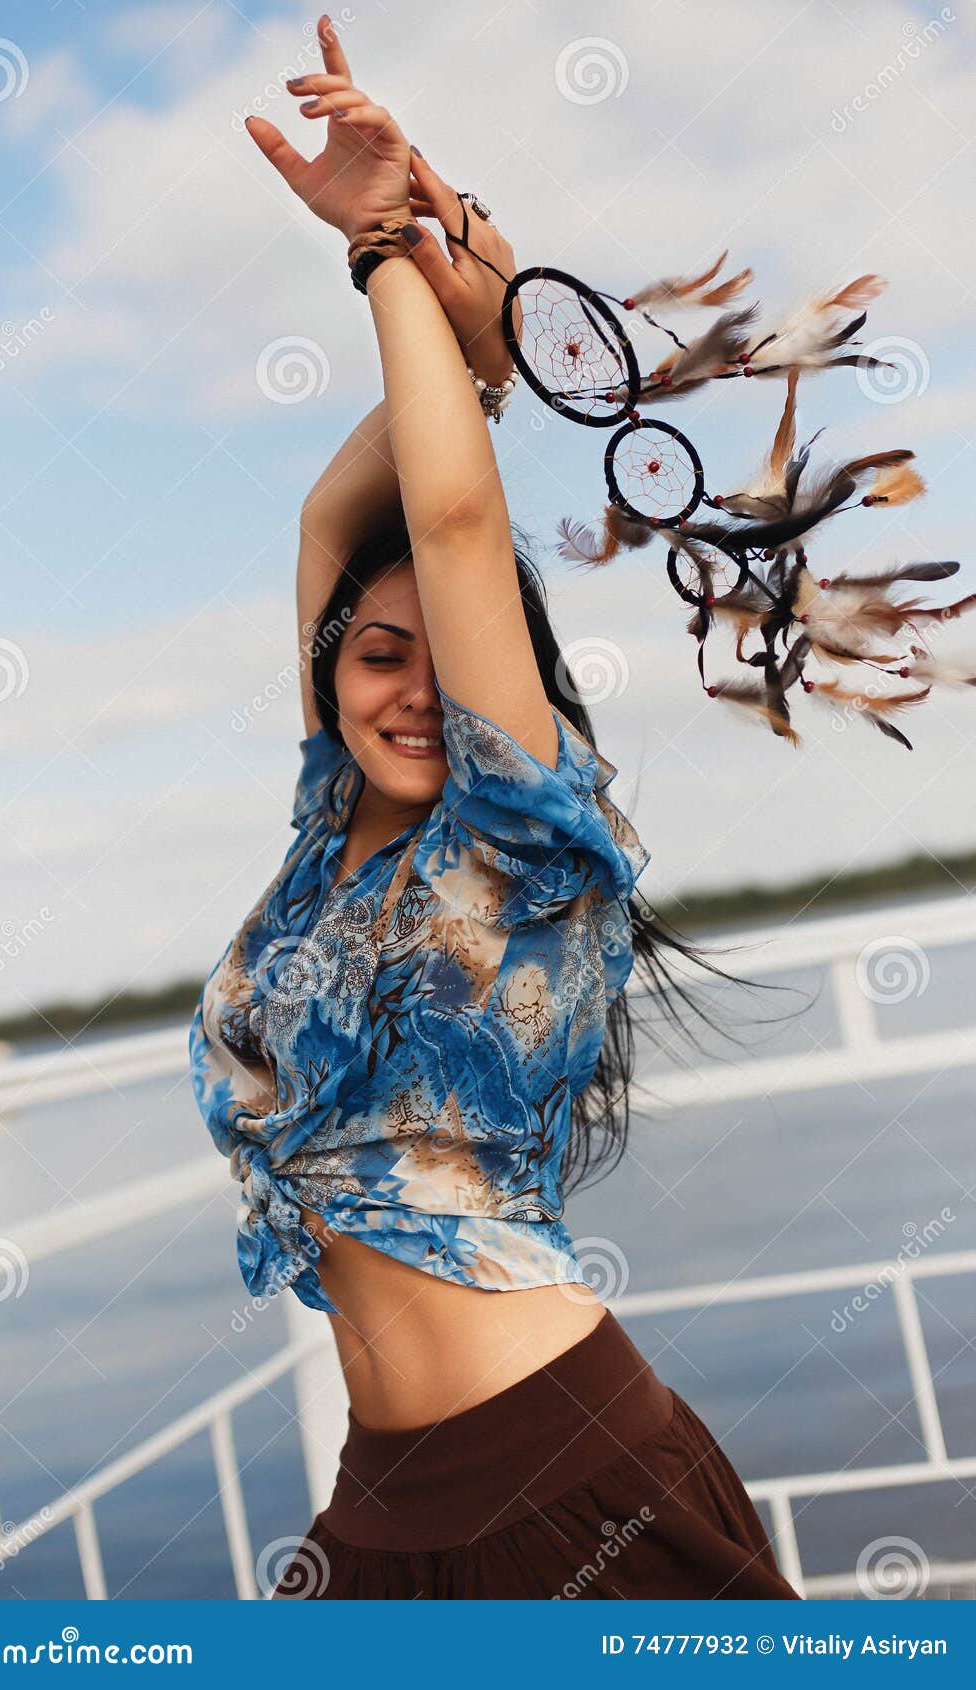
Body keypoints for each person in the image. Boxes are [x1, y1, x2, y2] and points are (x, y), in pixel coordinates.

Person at [189, 14, 802, 1601]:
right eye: (368, 659)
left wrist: (386, 245)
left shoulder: (517, 831)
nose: (404, 691)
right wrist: (474, 335)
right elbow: (352, 512)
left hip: (564, 1476)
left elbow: (454, 517)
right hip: (378, 1503)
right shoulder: (332, 838)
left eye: (434, 662)